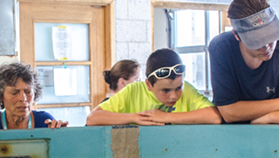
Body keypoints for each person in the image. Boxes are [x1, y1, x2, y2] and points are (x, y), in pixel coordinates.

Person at [86, 48, 221, 125]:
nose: (174, 96)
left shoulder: (187, 90)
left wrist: (165, 117)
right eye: (165, 90)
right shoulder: (134, 91)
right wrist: (135, 118)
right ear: (149, 85)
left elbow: (215, 117)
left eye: (178, 88)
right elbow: (92, 118)